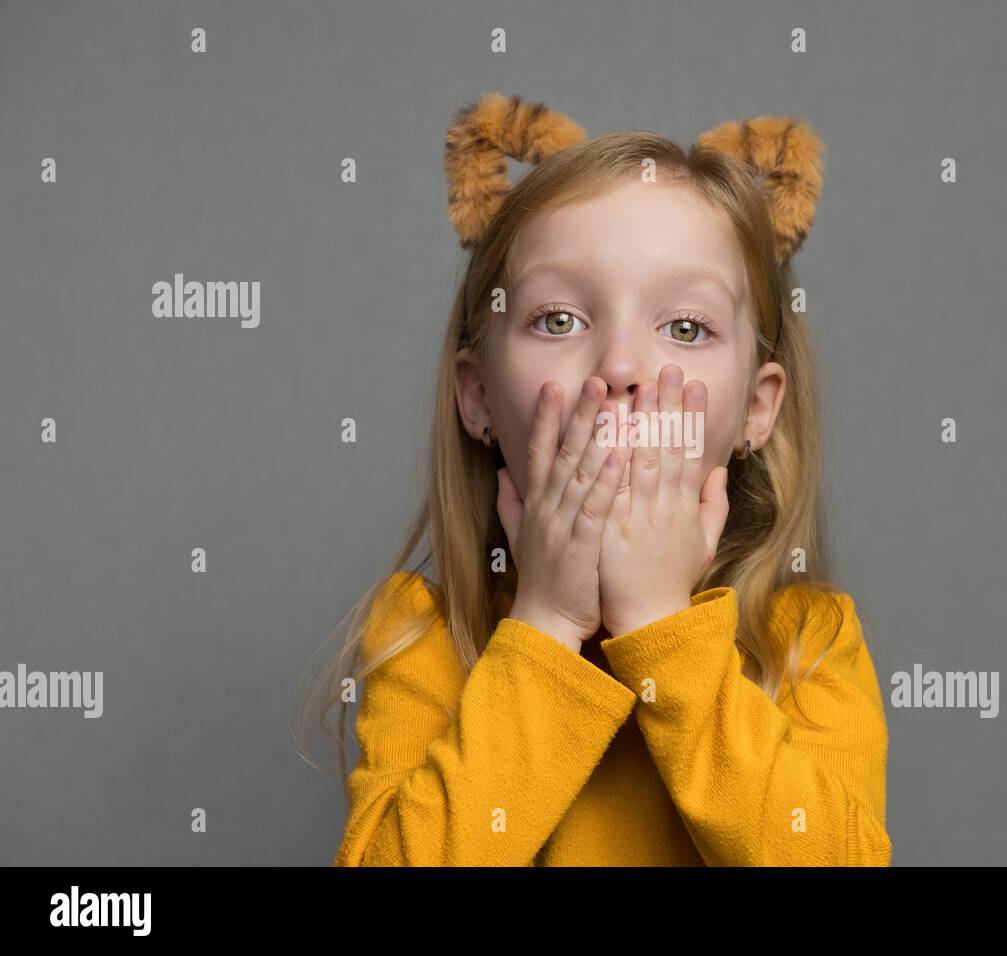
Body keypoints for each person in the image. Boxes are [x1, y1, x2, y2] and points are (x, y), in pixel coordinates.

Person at [293, 91, 891, 866]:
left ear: (756, 410)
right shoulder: (421, 640)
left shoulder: (806, 643)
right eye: (558, 320)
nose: (619, 368)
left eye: (685, 327)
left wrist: (660, 630)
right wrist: (543, 626)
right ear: (477, 398)